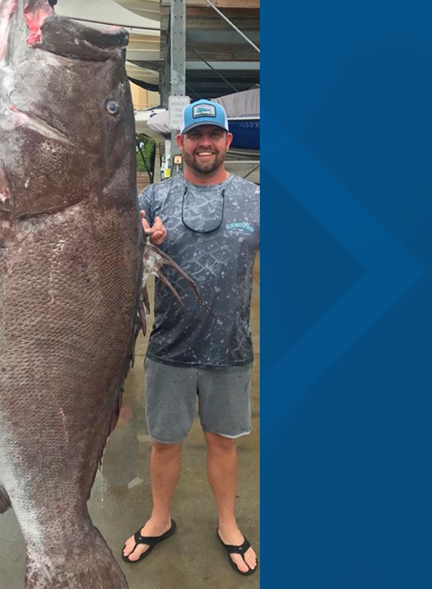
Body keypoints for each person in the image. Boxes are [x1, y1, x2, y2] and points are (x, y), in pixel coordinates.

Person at [121, 99, 260, 576]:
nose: (205, 143)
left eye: (213, 135)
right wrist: (140, 240)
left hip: (230, 350)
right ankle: (160, 519)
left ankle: (228, 524)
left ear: (227, 141)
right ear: (180, 142)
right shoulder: (153, 198)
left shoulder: (254, 199)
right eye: (195, 135)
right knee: (164, 443)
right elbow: (116, 246)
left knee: (223, 443)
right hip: (169, 350)